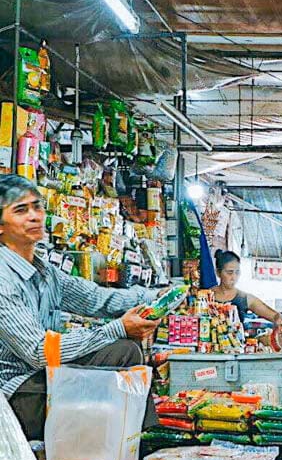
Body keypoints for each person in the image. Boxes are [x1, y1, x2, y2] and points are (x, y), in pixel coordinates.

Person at [0, 175, 162, 440]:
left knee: (125, 351)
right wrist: (118, 328)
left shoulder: (45, 273)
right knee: (121, 352)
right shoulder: (3, 279)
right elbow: (39, 352)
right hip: (15, 394)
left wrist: (155, 297)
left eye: (37, 207)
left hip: (43, 377)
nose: (34, 216)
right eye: (20, 210)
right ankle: (135, 442)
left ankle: (132, 442)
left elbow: (97, 299)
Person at [211, 250, 282, 329]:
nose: (234, 277)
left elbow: (275, 316)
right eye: (229, 272)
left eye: (237, 272)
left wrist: (280, 321)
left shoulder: (244, 298)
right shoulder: (206, 296)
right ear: (218, 273)